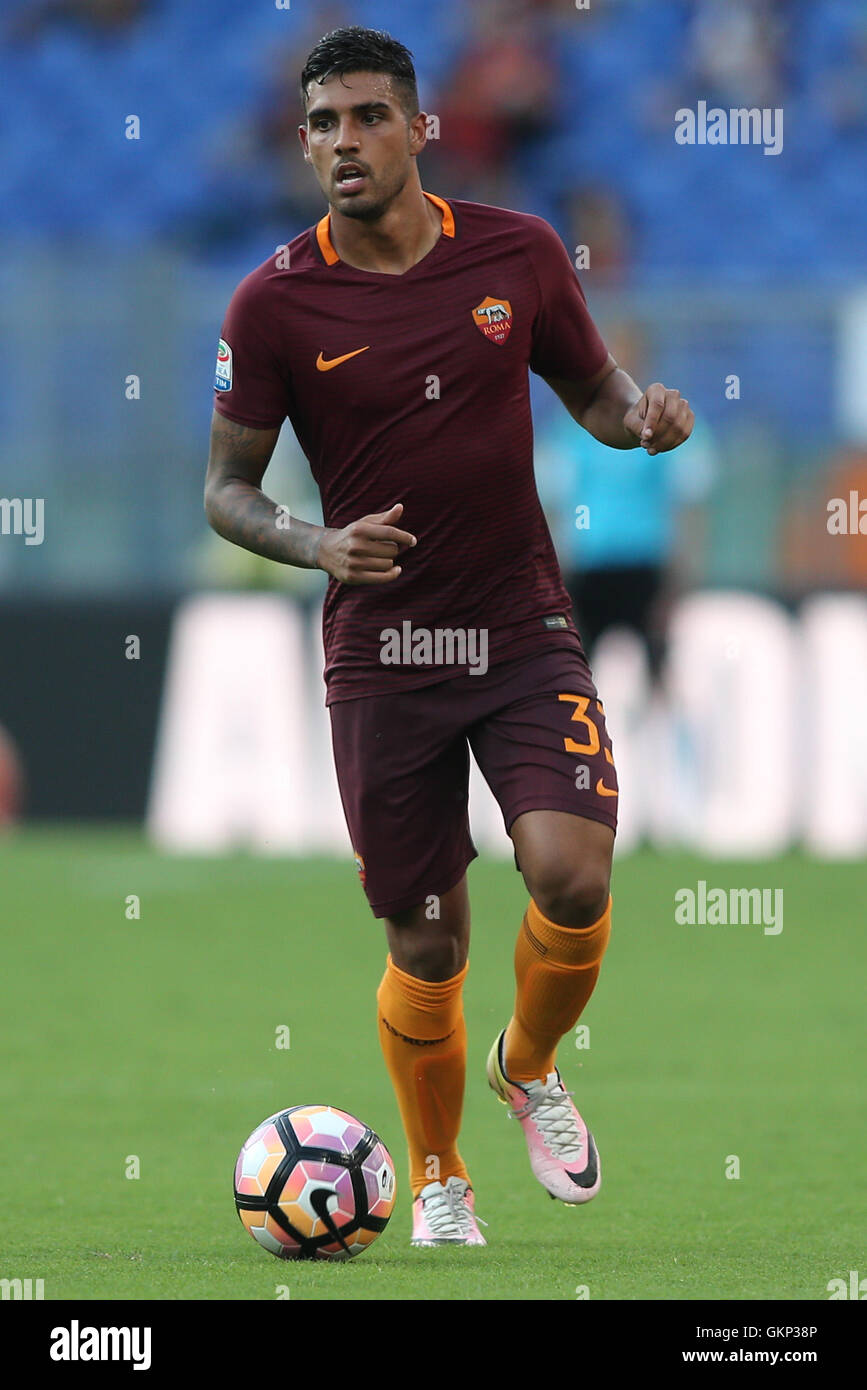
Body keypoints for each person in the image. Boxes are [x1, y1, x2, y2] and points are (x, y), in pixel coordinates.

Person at [204, 26, 693, 1247]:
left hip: (520, 624)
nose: (344, 142)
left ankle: (527, 1064)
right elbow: (226, 489)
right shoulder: (272, 302)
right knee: (427, 939)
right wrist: (318, 542)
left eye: (369, 116)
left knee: (573, 873)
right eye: (324, 124)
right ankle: (437, 1178)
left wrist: (640, 419)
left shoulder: (519, 254)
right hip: (382, 658)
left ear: (420, 129)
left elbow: (593, 389)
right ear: (303, 142)